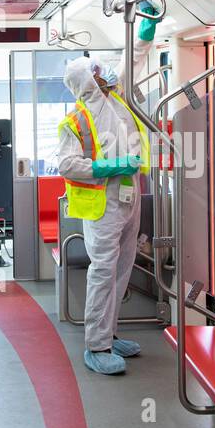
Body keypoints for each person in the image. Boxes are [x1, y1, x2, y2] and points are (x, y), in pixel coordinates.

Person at [56, 33, 153, 375]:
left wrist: (145, 31)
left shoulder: (117, 98)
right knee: (102, 272)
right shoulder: (77, 120)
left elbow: (132, 60)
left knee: (122, 268)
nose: (108, 73)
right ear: (88, 80)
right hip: (103, 202)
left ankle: (110, 334)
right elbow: (66, 164)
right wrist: (107, 167)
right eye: (99, 70)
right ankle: (96, 346)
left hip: (131, 195)